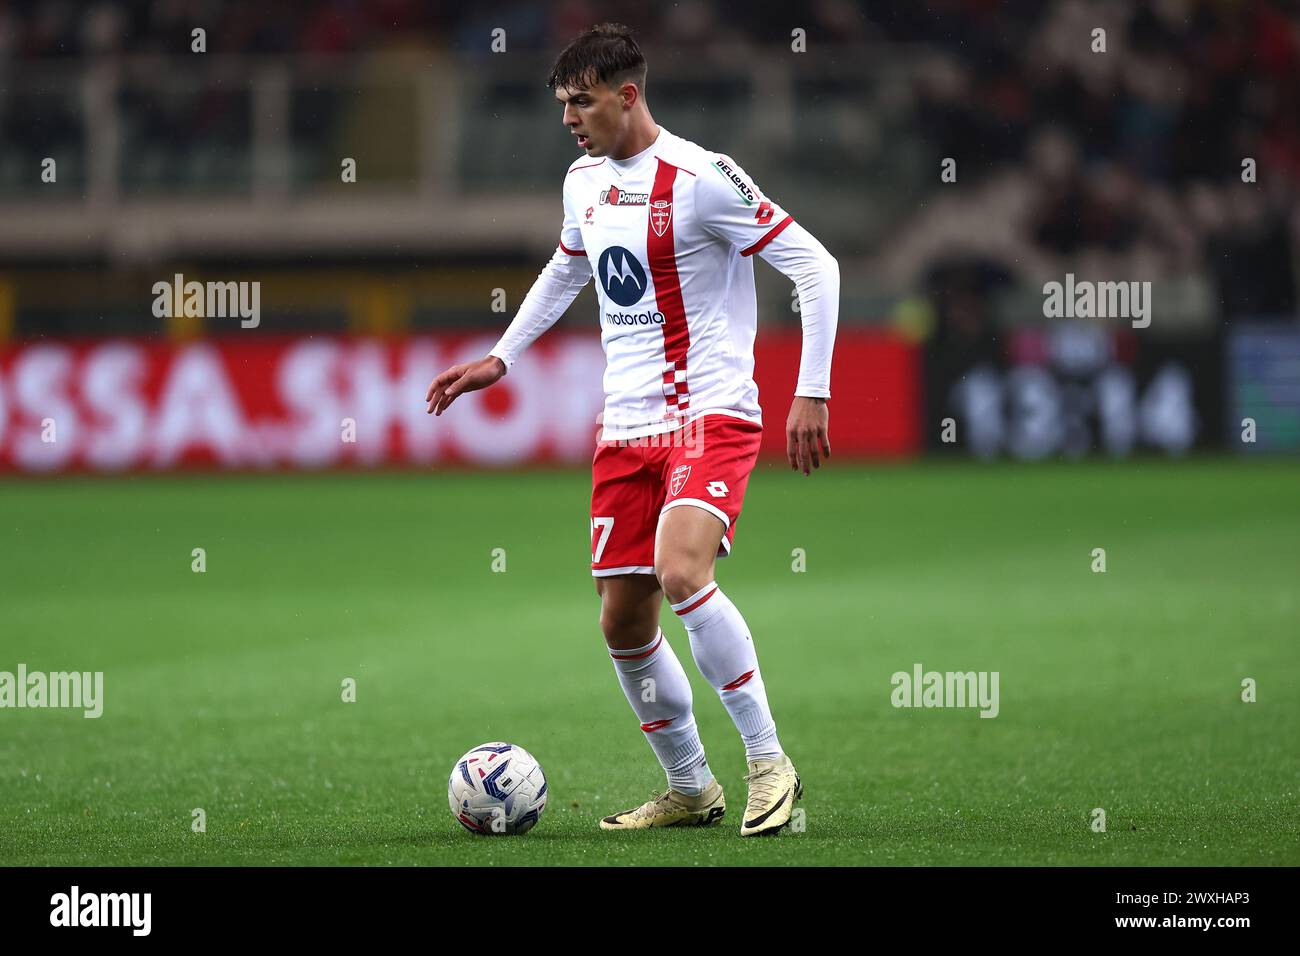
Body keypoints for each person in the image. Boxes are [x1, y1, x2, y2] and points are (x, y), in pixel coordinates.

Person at [426, 22, 838, 836]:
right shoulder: (583, 182)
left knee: (682, 572)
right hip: (627, 426)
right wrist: (500, 359)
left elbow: (814, 266)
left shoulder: (701, 178)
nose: (570, 118)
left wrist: (812, 391)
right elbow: (568, 266)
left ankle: (768, 765)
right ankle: (690, 787)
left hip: (709, 413)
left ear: (628, 95)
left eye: (581, 102)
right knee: (622, 619)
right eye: (561, 105)